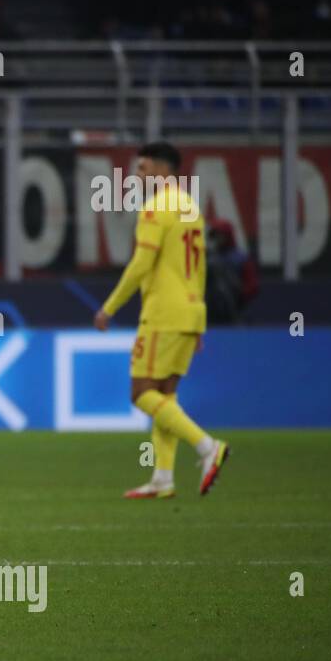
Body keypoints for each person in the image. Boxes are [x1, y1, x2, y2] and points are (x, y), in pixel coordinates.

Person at [94, 142, 229, 498]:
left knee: (141, 393)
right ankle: (163, 478)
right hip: (189, 312)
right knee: (165, 395)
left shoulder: (155, 208)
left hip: (163, 313)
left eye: (142, 169)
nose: (137, 176)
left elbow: (141, 264)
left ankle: (207, 447)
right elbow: (198, 268)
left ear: (161, 170)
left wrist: (109, 307)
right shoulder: (190, 207)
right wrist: (197, 321)